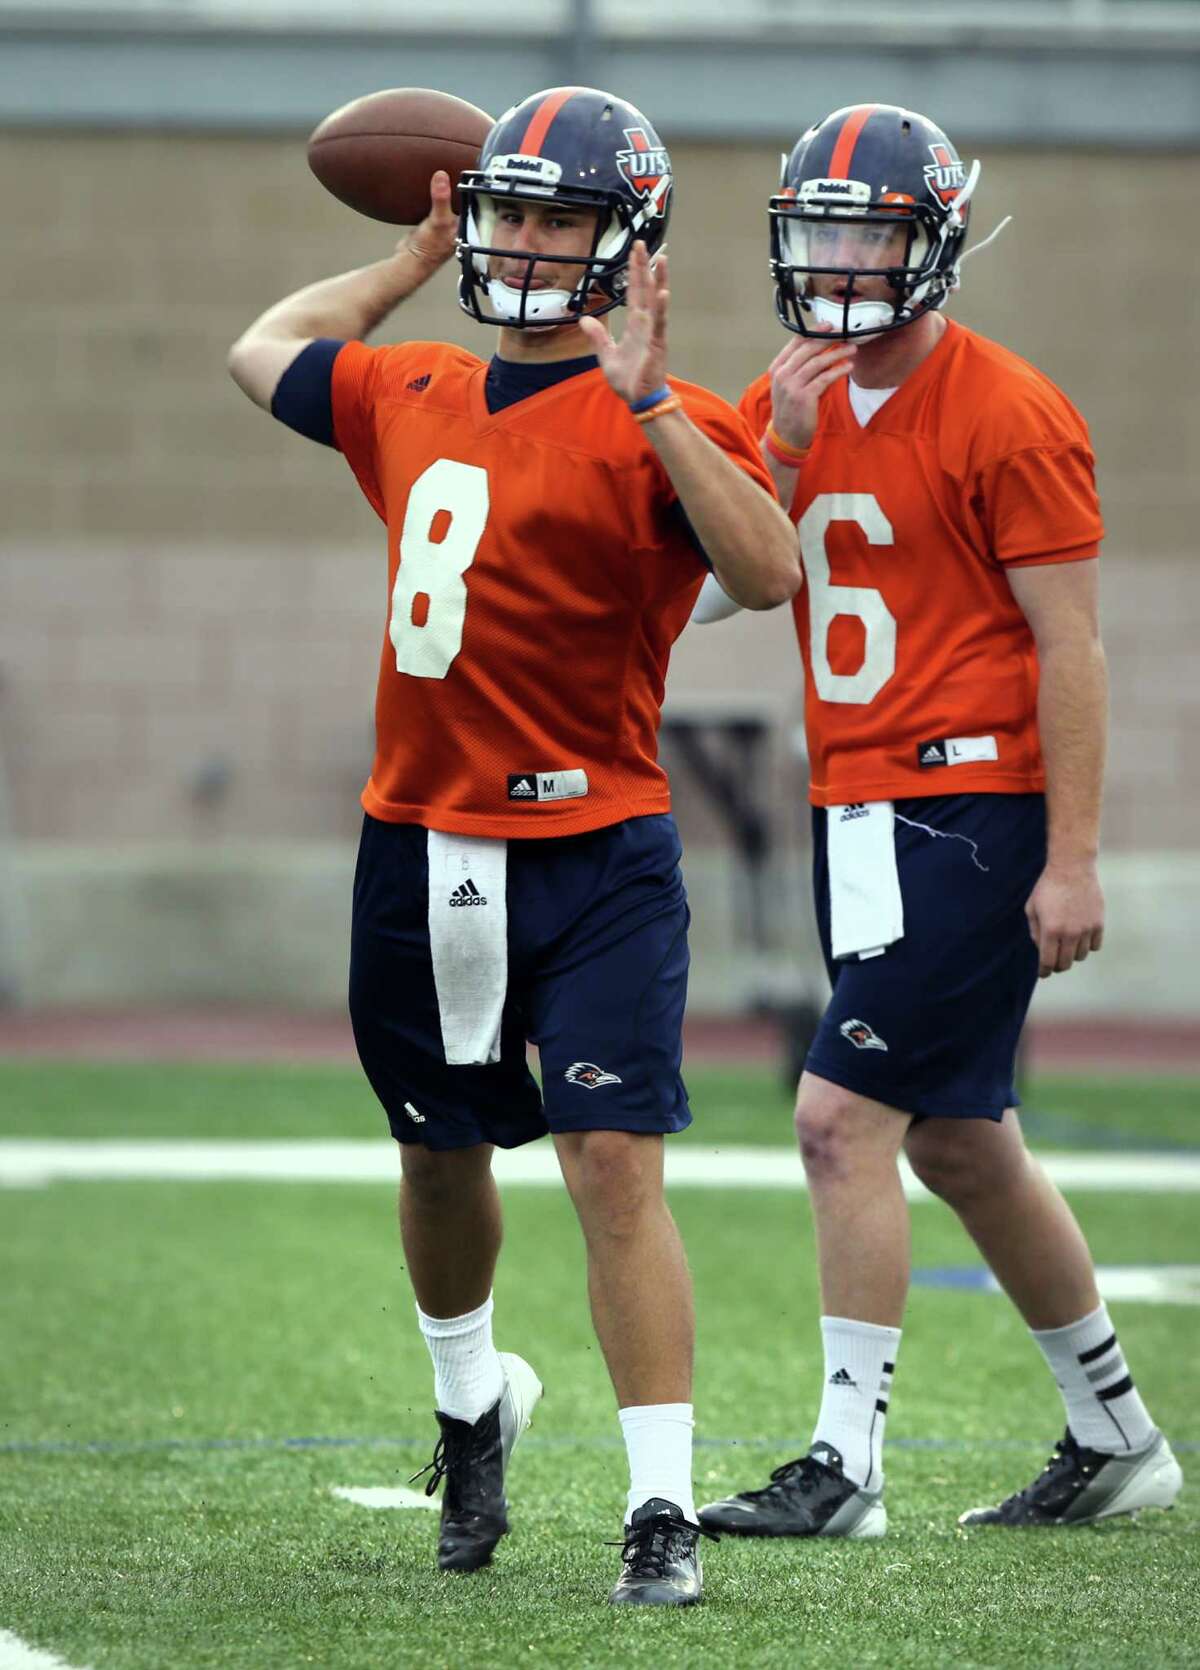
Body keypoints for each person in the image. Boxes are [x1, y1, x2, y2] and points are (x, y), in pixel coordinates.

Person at [227, 85, 799, 1604]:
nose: (527, 240)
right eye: (510, 209)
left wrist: (661, 401)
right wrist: (409, 258)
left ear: (627, 244)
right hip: (420, 844)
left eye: (560, 215)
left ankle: (659, 1507)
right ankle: (471, 1402)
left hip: (597, 849)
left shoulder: (666, 409)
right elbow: (262, 346)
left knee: (616, 1161)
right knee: (437, 1155)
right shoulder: (411, 381)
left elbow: (771, 568)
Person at [692, 103, 1182, 1537]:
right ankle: (1120, 1432)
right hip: (861, 802)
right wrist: (769, 453)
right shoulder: (787, 396)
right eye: (820, 230)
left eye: (871, 232)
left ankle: (845, 1460)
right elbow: (724, 587)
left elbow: (1068, 648)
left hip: (972, 801)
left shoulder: (1012, 409)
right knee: (961, 1138)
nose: (840, 260)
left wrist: (1075, 853)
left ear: (936, 245)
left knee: (842, 1119)